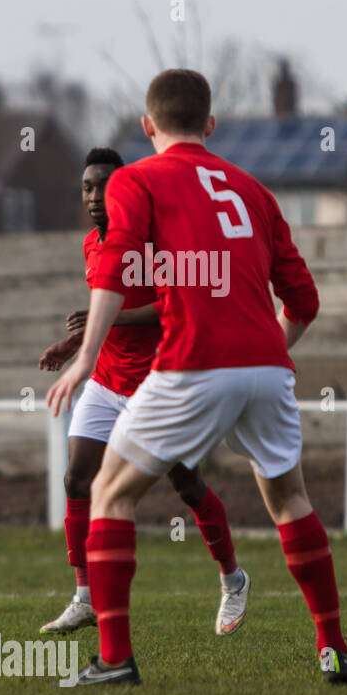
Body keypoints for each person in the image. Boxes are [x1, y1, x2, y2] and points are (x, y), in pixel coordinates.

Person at [47, 69, 347, 686]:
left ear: (147, 126)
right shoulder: (254, 189)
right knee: (291, 500)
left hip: (194, 363)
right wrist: (268, 346)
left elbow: (113, 263)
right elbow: (304, 300)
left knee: (109, 494)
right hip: (268, 368)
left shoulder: (136, 178)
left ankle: (114, 659)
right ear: (210, 125)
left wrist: (86, 354)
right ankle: (332, 649)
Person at [38, 148, 247, 636]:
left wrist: (107, 318)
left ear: (126, 188)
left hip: (159, 385)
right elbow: (104, 309)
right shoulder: (92, 244)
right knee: (76, 481)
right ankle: (85, 596)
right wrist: (75, 343)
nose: (94, 196)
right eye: (87, 187)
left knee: (187, 485)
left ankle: (233, 580)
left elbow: (178, 303)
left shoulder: (158, 241)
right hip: (107, 382)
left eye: (105, 185)